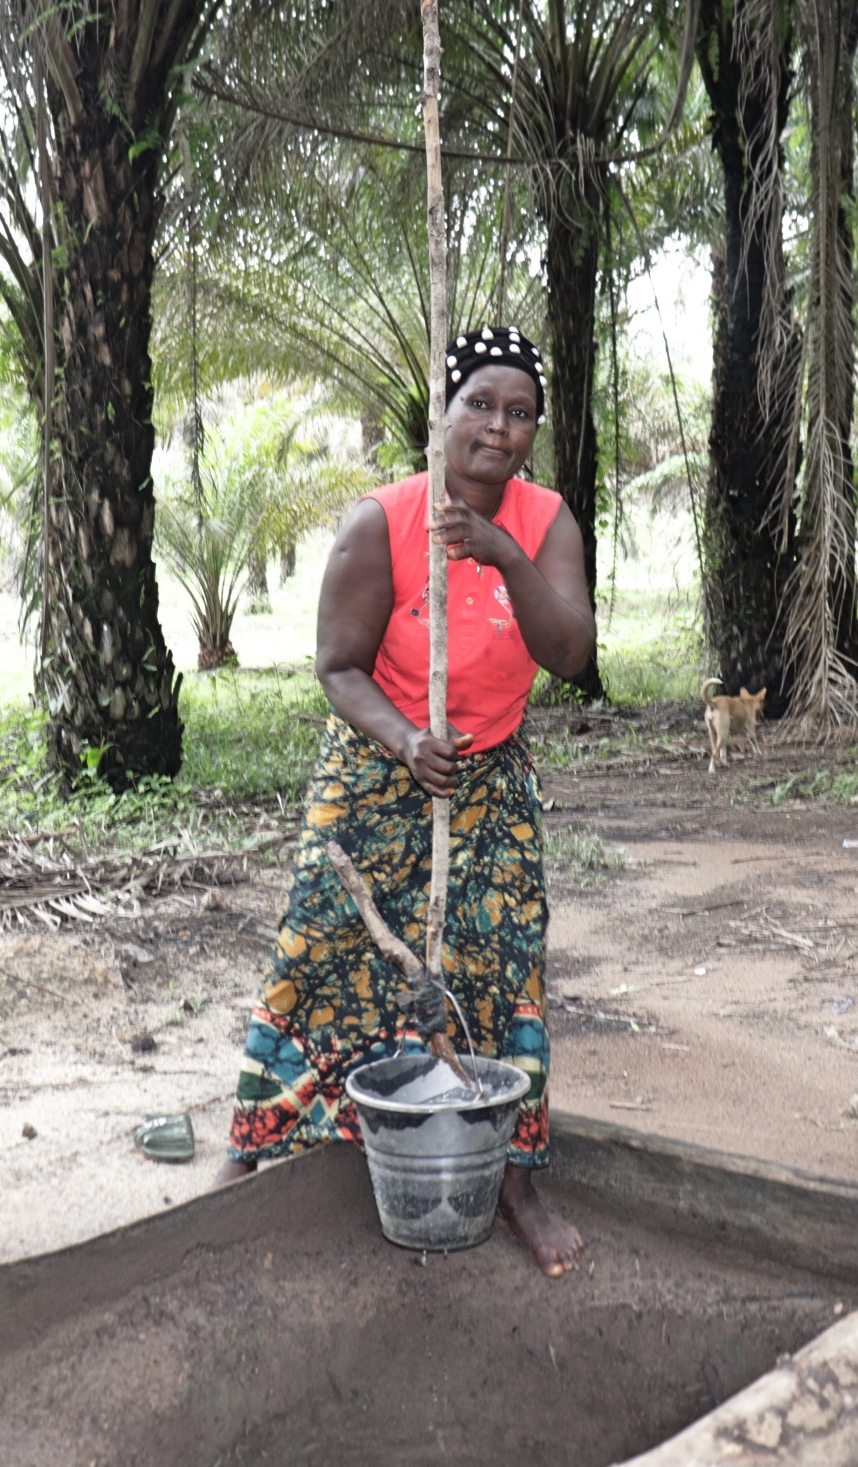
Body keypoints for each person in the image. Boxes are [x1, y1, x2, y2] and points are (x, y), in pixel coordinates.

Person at [211, 326, 592, 1276]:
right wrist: (405, 740)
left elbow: (572, 654)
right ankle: (257, 1143)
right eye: (479, 405)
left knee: (503, 962)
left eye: (518, 414)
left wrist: (503, 551)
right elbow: (336, 667)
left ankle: (512, 1181)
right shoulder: (382, 522)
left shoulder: (548, 524)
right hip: (381, 765)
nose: (497, 429)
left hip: (490, 773)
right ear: (445, 410)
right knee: (323, 941)